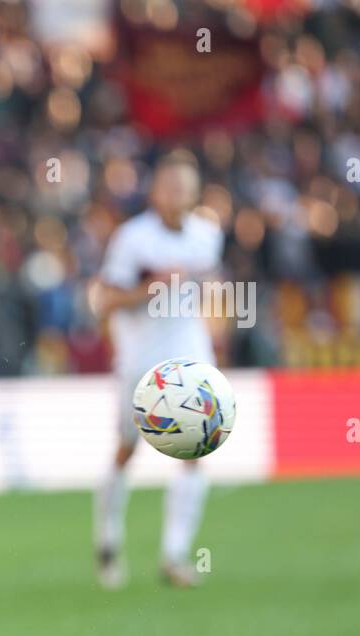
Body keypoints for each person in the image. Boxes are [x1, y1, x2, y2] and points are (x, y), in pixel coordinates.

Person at [92, 150, 224, 590]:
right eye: (171, 187)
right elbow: (104, 300)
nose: (178, 195)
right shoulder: (133, 239)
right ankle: (108, 540)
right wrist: (148, 290)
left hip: (190, 357)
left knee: (197, 449)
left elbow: (213, 289)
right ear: (156, 191)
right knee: (126, 450)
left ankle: (174, 554)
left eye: (186, 187)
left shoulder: (207, 235)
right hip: (141, 363)